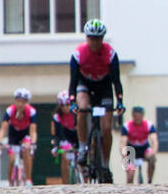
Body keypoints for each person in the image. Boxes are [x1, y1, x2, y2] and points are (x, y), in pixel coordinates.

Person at [69, 18, 125, 182]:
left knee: (106, 127)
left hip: (103, 87)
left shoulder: (110, 54)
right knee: (83, 107)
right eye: (92, 38)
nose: (95, 42)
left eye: (98, 39)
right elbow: (72, 82)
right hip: (84, 84)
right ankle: (82, 148)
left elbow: (116, 82)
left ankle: (105, 166)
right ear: (87, 38)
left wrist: (120, 100)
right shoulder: (78, 54)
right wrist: (73, 101)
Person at [0, 88, 38, 185]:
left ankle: (28, 179)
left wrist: (33, 143)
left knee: (26, 150)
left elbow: (33, 131)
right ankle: (10, 182)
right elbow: (3, 128)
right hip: (13, 134)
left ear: (27, 103)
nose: (20, 104)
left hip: (25, 134)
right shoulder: (10, 111)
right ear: (15, 101)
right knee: (11, 159)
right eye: (18, 101)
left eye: (23, 102)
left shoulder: (31, 111)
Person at [120, 105, 159, 183]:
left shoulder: (148, 125)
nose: (137, 118)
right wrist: (124, 156)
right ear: (133, 116)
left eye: (139, 116)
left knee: (152, 159)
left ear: (142, 116)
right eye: (135, 116)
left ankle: (149, 181)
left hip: (143, 148)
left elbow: (154, 141)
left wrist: (153, 153)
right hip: (131, 149)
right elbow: (123, 143)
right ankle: (129, 187)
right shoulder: (127, 126)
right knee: (130, 174)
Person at [50, 91, 79, 183]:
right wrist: (56, 147)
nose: (65, 108)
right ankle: (65, 182)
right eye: (62, 106)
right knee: (64, 155)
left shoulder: (77, 113)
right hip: (67, 136)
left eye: (67, 105)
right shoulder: (58, 116)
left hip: (78, 135)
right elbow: (57, 134)